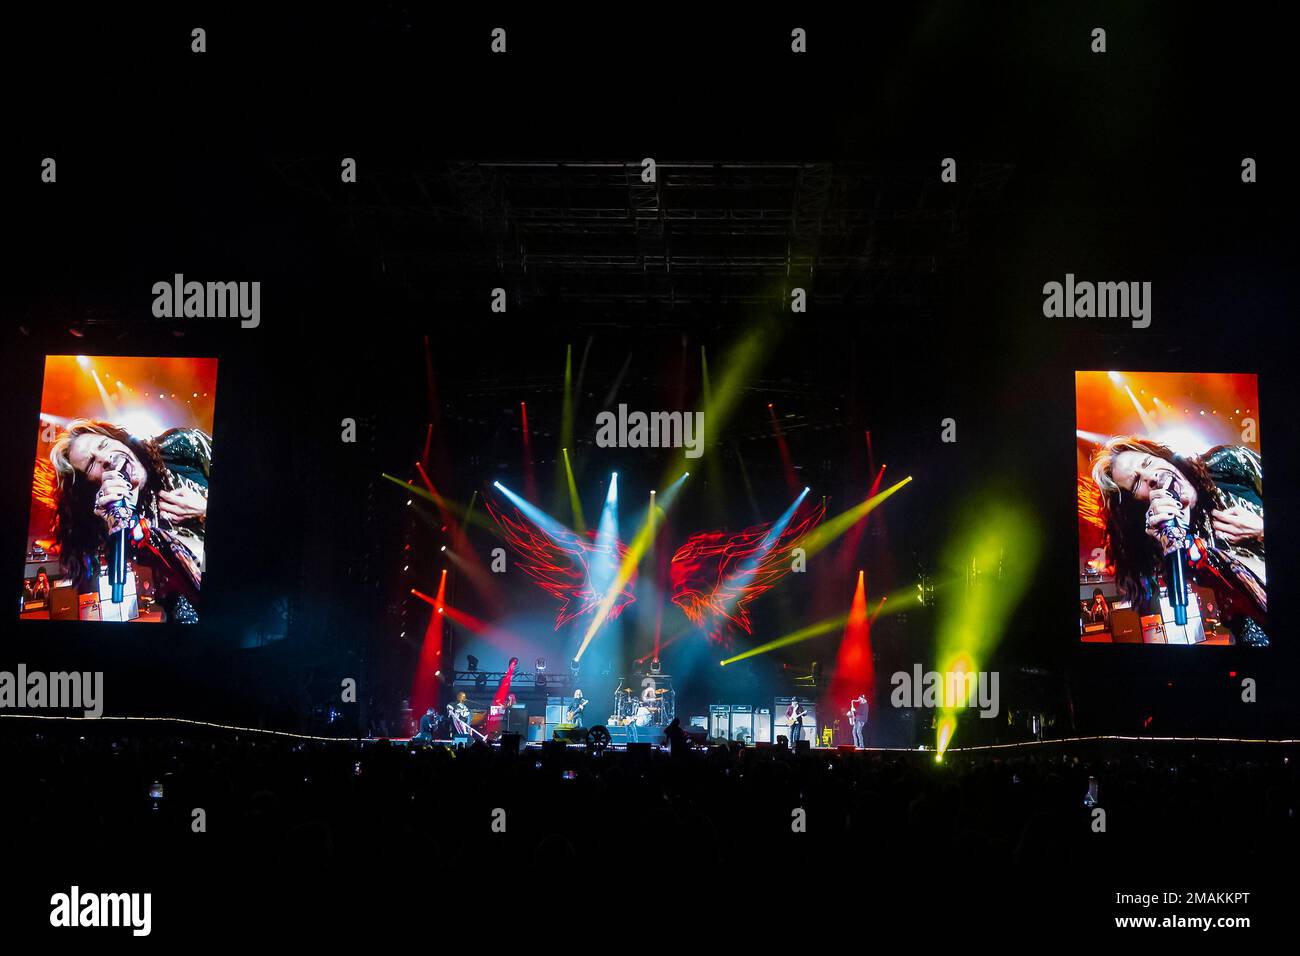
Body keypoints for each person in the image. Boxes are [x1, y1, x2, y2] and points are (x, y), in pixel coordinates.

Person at [1091, 437, 1267, 644]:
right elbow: (1248, 590)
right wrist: (1178, 538)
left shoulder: (1227, 463)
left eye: (1148, 463)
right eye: (1137, 482)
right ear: (1138, 504)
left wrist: (1263, 528)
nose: (1152, 477)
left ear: (1164, 458)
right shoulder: (1171, 540)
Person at [48, 419, 211, 623]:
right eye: (91, 464)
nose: (106, 459)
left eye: (104, 445)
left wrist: (206, 506)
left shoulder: (180, 445)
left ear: (119, 440)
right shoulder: (118, 518)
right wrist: (117, 520)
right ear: (91, 485)